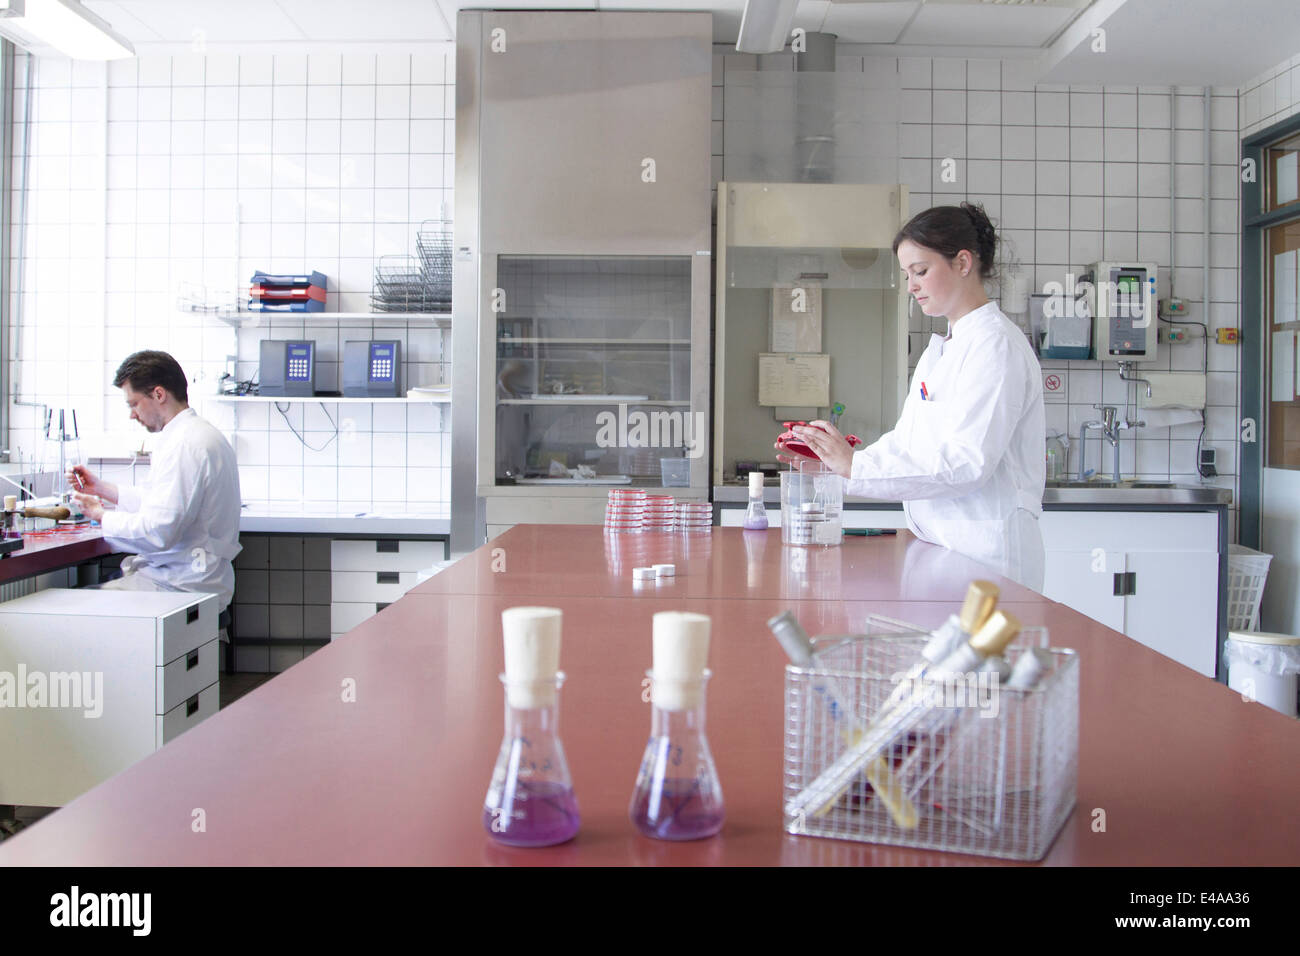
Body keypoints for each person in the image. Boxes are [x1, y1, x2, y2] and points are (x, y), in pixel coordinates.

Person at [778, 202, 1046, 592]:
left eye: (920, 271)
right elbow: (907, 446)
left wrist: (855, 467)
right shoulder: (943, 350)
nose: (911, 286)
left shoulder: (996, 346)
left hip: (990, 558)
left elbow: (967, 463)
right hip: (943, 552)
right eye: (907, 275)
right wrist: (833, 460)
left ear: (963, 263)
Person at [69, 350, 242, 610]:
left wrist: (101, 515)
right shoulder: (198, 435)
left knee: (72, 608)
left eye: (134, 404)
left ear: (159, 394)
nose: (132, 414)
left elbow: (158, 531)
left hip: (179, 585)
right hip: (194, 578)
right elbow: (163, 501)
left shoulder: (185, 444)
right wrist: (102, 489)